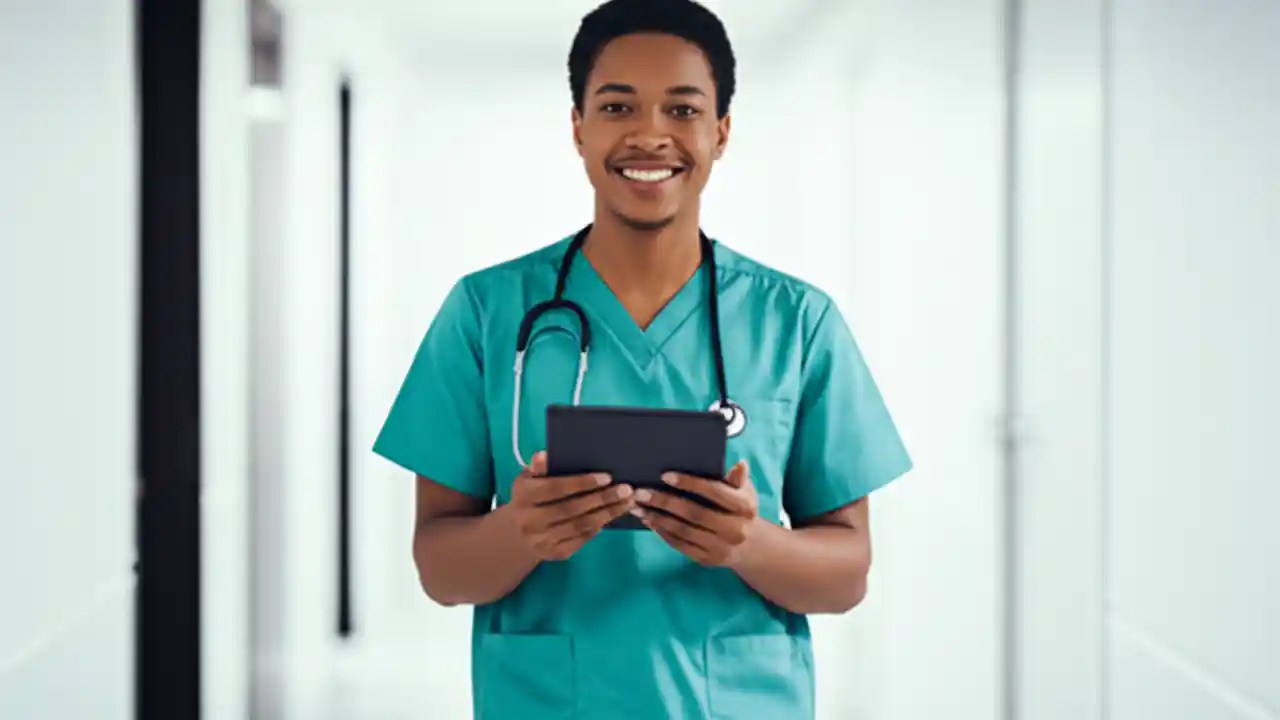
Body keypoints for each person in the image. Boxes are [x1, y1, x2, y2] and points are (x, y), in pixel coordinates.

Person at [372, 0, 912, 717]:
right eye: (618, 106)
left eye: (683, 110)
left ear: (721, 133)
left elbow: (847, 576)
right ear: (579, 128)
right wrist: (521, 532)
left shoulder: (798, 323)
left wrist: (746, 542)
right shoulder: (483, 313)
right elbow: (439, 568)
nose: (650, 135)